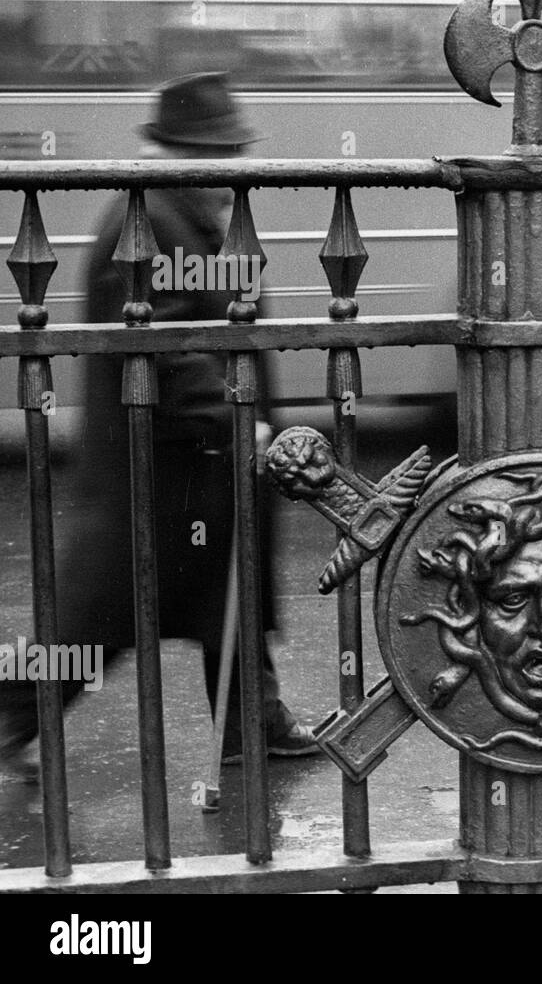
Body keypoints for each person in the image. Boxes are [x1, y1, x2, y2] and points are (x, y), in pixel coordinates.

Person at [0, 73, 318, 782]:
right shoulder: (150, 224)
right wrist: (233, 417)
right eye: (222, 150)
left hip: (195, 465)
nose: (232, 165)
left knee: (226, 593)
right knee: (99, 620)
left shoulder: (191, 214)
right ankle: (10, 711)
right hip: (161, 468)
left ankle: (250, 724)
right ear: (180, 152)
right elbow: (170, 348)